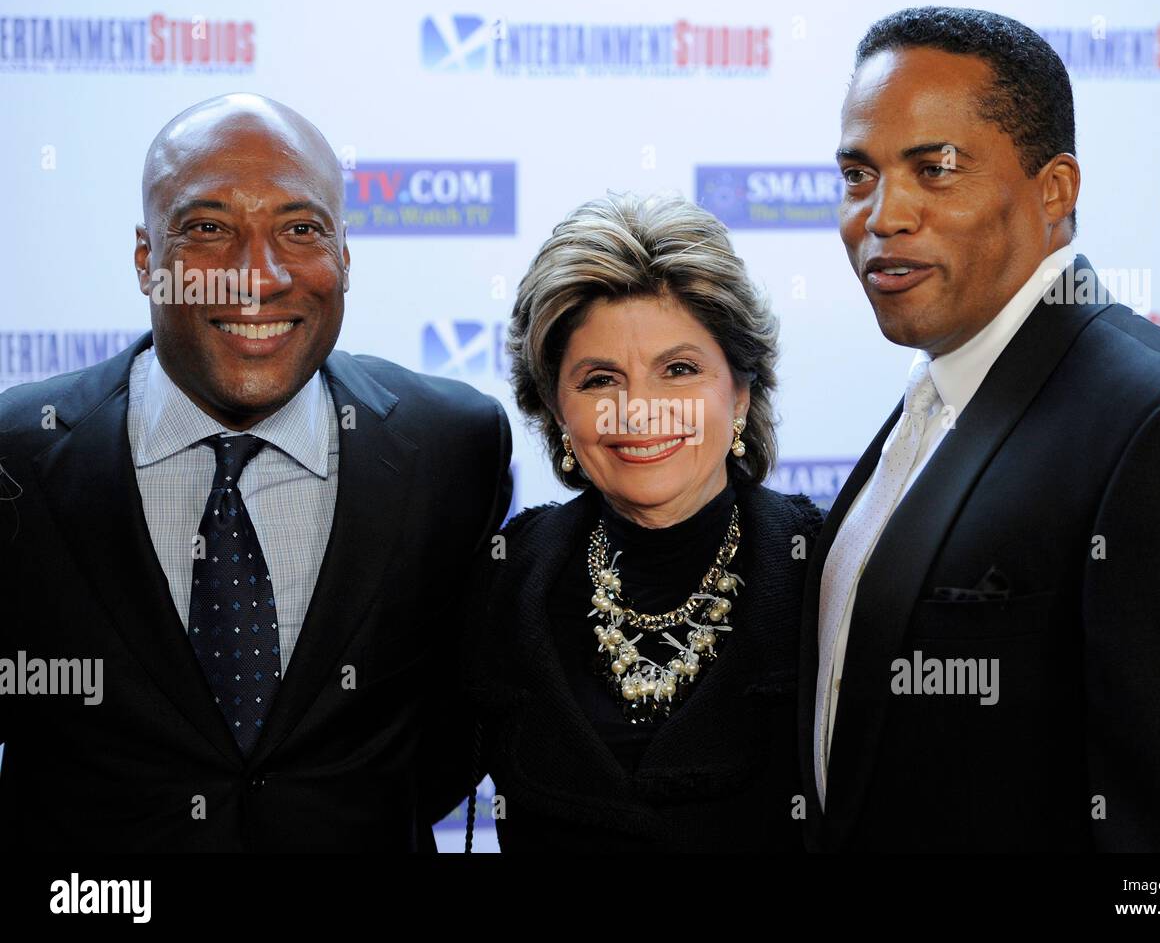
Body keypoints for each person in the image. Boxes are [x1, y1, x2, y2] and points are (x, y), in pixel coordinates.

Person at [801, 7, 1160, 852]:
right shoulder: (947, 385)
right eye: (859, 174)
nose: (883, 215)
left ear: (1055, 190)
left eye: (935, 169)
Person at [0, 94, 512, 851]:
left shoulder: (452, 446)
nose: (256, 276)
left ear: (344, 255)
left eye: (300, 229)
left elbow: (456, 726)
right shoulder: (19, 456)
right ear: (147, 260)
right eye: (208, 228)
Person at [462, 193, 821, 852]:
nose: (641, 411)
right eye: (600, 379)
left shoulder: (827, 574)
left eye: (678, 370)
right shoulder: (501, 581)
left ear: (739, 392)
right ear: (555, 408)